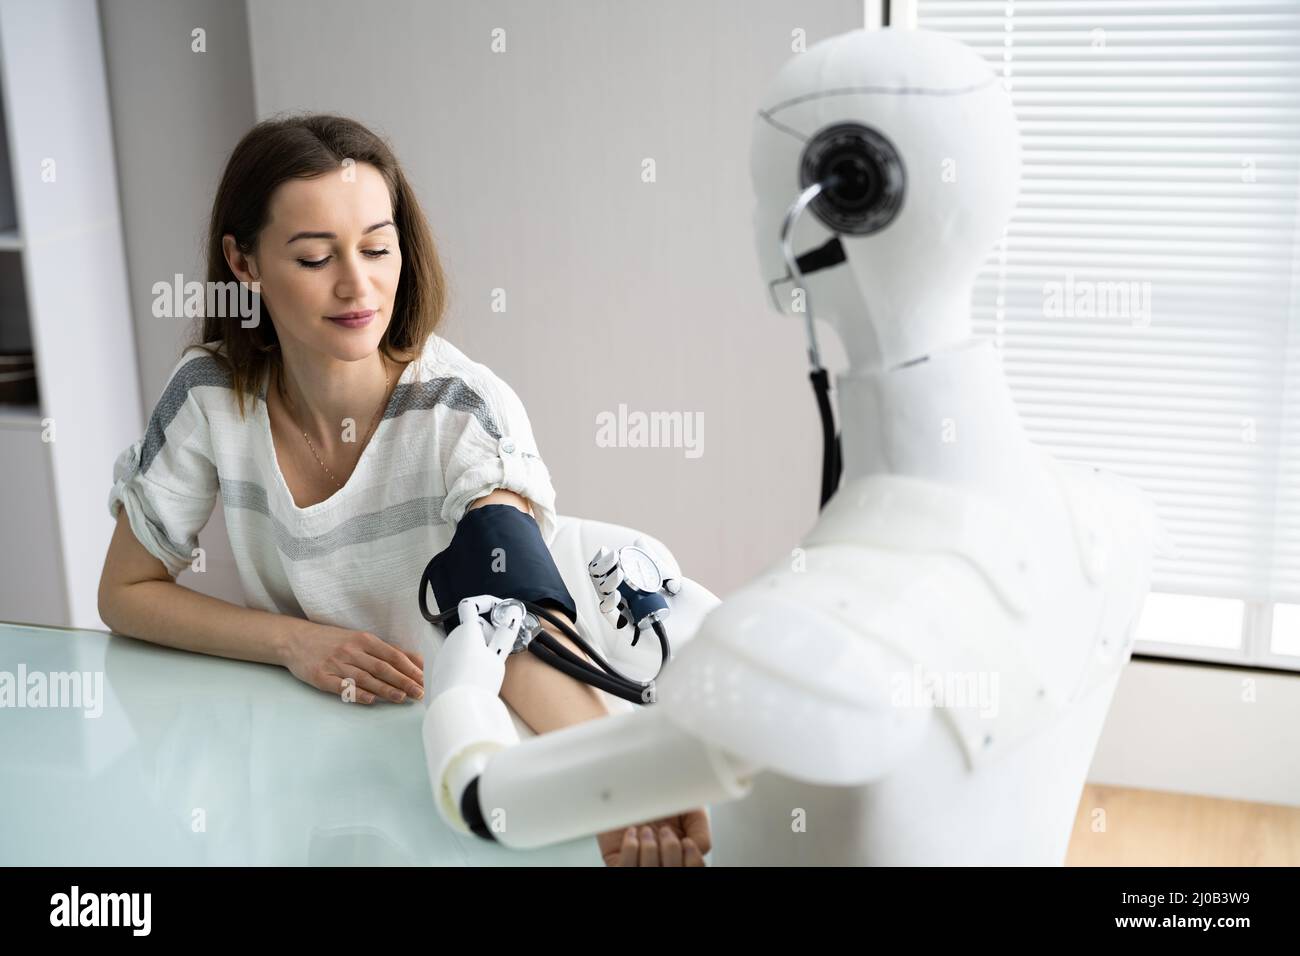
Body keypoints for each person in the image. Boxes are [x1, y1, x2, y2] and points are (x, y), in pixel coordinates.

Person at [97, 113, 709, 867]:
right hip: (306, 747)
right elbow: (125, 588)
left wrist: (620, 785)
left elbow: (508, 621)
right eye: (316, 257)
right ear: (244, 262)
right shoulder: (210, 396)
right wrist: (294, 642)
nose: (359, 285)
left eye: (378, 248)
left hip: (464, 744)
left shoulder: (462, 411)